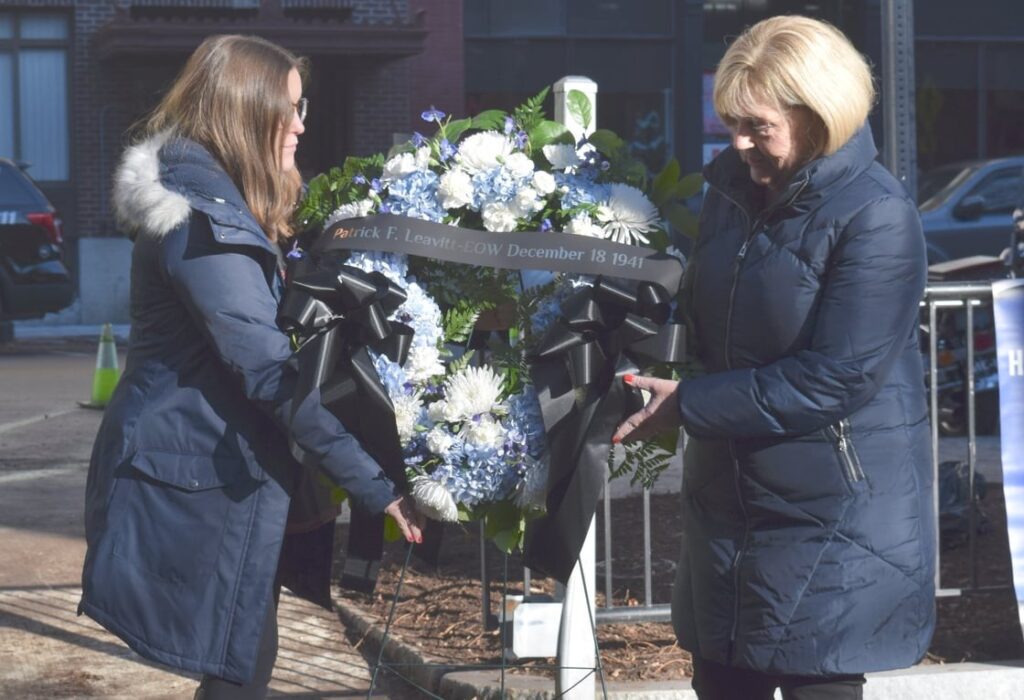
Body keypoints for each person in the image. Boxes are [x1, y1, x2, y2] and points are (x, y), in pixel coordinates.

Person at [79, 34, 424, 699]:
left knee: (243, 662)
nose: (301, 125)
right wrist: (376, 484)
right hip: (196, 476)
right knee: (239, 669)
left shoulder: (213, 202)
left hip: (211, 468)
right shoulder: (202, 223)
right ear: (248, 112)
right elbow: (268, 369)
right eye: (290, 110)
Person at [613, 15, 934, 700]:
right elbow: (710, 322)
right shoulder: (733, 193)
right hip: (730, 503)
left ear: (818, 113)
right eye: (731, 121)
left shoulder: (877, 215)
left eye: (757, 125)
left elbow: (837, 377)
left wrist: (691, 405)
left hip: (831, 517)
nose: (738, 141)